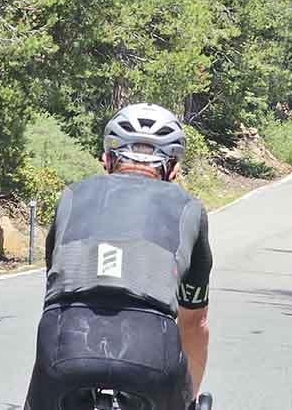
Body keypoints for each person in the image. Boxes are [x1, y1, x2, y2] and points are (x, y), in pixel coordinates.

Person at [24, 103, 213, 410]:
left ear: (107, 159)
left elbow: (54, 287)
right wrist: (188, 401)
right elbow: (195, 322)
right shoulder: (190, 208)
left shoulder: (71, 196)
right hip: (152, 353)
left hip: (65, 345)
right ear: (173, 169)